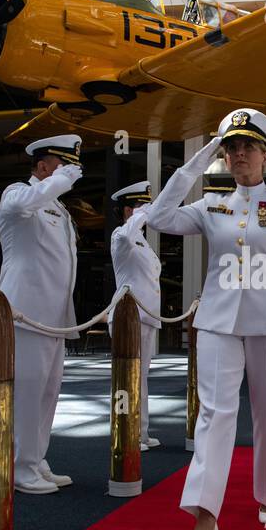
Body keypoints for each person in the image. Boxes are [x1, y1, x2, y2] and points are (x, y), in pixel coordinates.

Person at [147, 109, 266, 530]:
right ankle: (205, 515)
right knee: (215, 413)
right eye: (233, 147)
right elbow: (160, 217)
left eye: (249, 147)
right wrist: (192, 168)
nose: (240, 154)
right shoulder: (210, 203)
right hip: (218, 322)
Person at [0, 135, 83, 495]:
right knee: (27, 390)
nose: (71, 174)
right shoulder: (18, 194)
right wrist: (60, 180)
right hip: (26, 310)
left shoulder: (59, 209)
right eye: (64, 165)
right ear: (44, 166)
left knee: (48, 390)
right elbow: (25, 204)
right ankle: (18, 466)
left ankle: (35, 458)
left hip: (53, 314)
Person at [110, 181, 162, 451]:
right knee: (129, 377)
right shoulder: (122, 236)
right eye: (142, 206)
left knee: (141, 377)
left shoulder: (142, 241)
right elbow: (124, 237)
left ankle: (140, 431)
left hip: (147, 316)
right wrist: (141, 214)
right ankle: (127, 431)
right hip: (129, 316)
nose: (148, 212)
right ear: (129, 211)